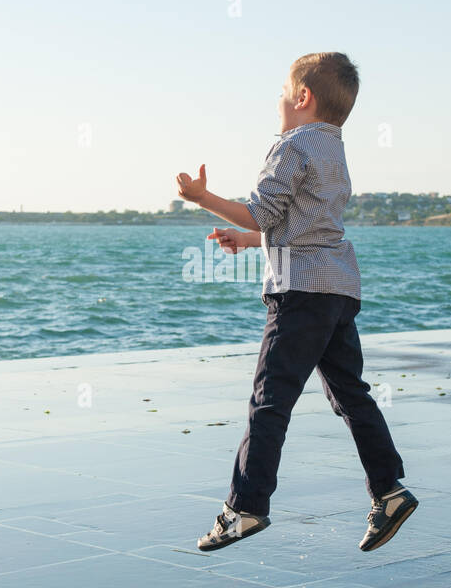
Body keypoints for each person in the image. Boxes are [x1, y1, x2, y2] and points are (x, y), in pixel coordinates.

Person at [175, 51, 417, 553]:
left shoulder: (291, 145)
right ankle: (389, 490)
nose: (280, 103)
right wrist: (247, 240)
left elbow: (263, 211)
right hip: (337, 289)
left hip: (299, 293)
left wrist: (203, 197)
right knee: (351, 393)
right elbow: (303, 219)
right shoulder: (334, 148)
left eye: (285, 94)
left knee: (270, 400)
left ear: (302, 98)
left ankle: (245, 507)